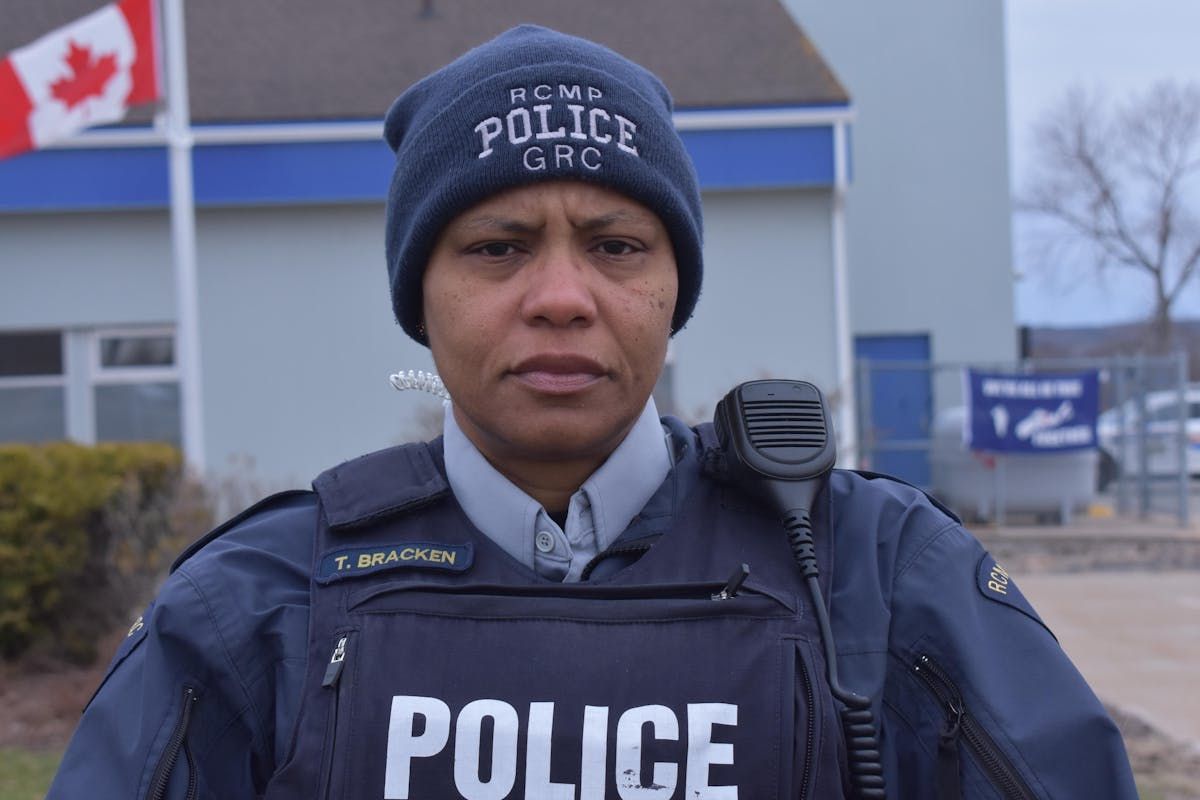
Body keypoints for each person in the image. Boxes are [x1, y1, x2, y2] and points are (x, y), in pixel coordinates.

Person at [48, 24, 1137, 800]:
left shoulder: (883, 575)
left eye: (616, 245)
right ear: (420, 299)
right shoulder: (254, 606)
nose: (563, 296)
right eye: (498, 248)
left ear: (674, 289)